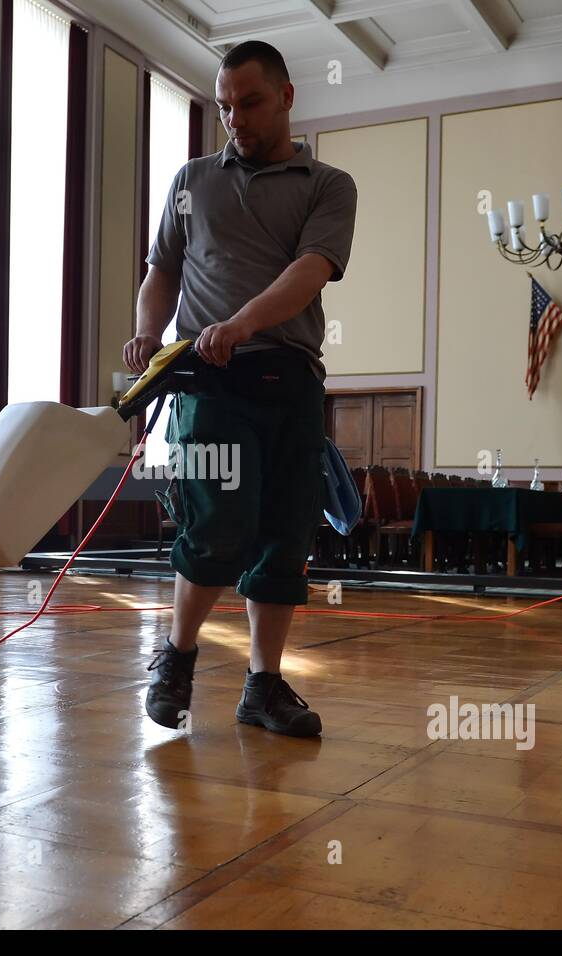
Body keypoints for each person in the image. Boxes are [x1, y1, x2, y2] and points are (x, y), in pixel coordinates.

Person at [123, 40, 358, 738]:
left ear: (287, 96)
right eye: (225, 105)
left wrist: (240, 321)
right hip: (209, 381)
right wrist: (148, 331)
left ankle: (262, 684)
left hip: (290, 381)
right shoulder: (192, 180)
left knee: (286, 534)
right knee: (217, 521)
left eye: (249, 103)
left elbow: (311, 271)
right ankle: (178, 657)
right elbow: (162, 268)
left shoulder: (328, 185)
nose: (235, 118)